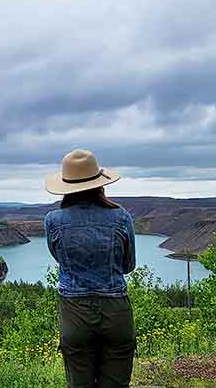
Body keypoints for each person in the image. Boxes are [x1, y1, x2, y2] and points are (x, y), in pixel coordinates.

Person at [44, 149, 136, 388]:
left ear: (66, 187)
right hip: (116, 311)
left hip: (74, 312)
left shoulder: (53, 220)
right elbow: (128, 266)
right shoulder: (121, 217)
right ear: (100, 184)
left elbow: (60, 260)